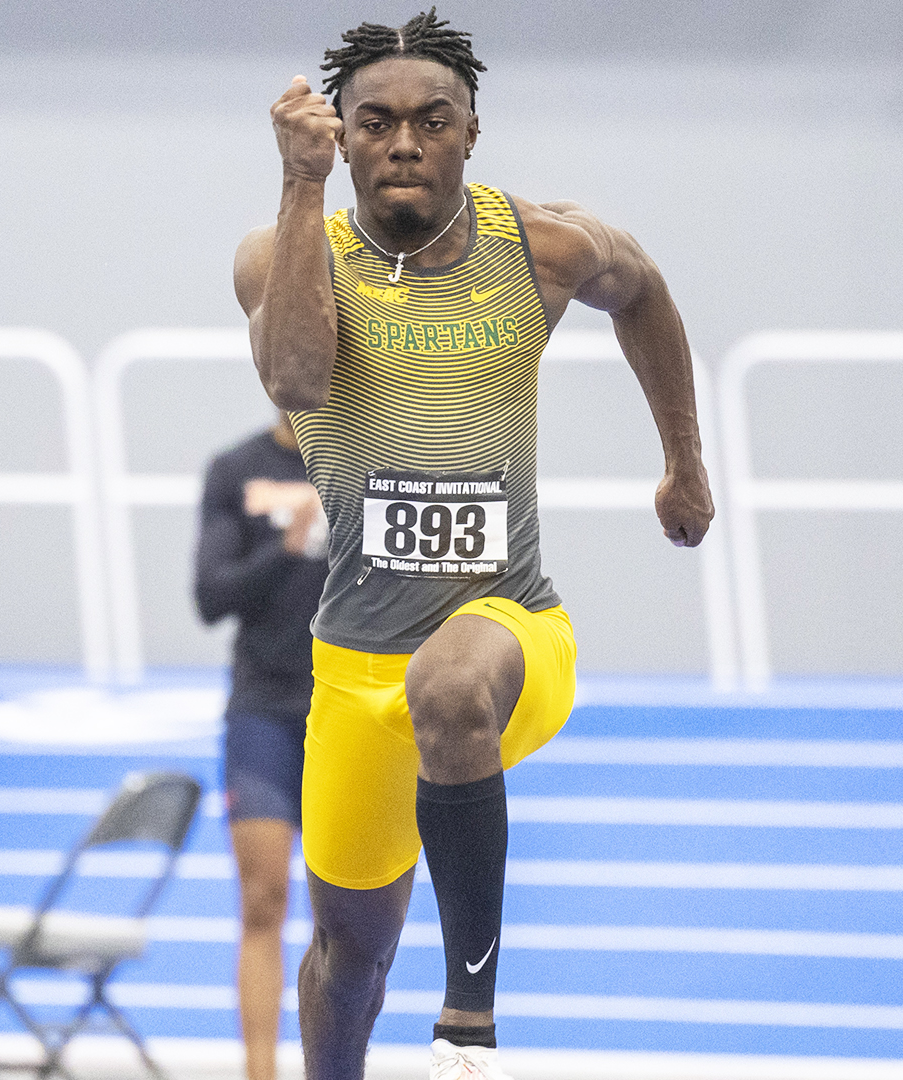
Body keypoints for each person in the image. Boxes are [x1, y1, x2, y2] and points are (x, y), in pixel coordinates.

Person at [231, 9, 715, 1079]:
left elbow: (646, 297)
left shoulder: (543, 248)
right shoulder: (281, 252)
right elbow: (299, 381)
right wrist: (302, 186)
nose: (405, 141)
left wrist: (684, 460)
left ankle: (469, 1026)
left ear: (471, 133)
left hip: (510, 634)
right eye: (377, 123)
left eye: (431, 120)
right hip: (354, 667)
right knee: (345, 958)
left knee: (449, 688)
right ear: (343, 138)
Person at [194, 412, 330, 1080]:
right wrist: (287, 547)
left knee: (344, 916)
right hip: (264, 710)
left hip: (346, 711)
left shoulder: (367, 457)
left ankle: (331, 1064)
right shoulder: (236, 470)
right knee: (263, 901)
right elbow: (209, 596)